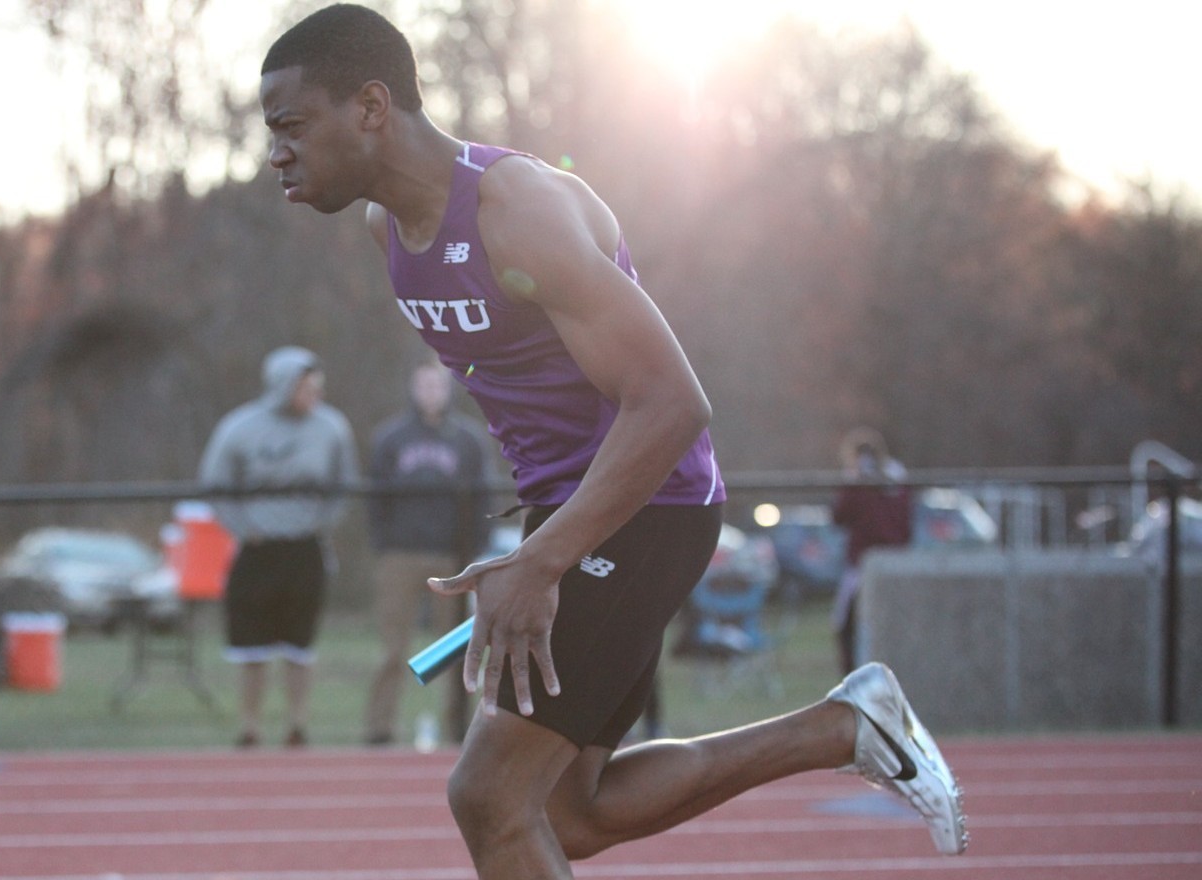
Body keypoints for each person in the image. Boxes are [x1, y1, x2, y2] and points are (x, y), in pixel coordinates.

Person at [258, 6, 967, 876]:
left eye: (291, 126)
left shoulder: (516, 208)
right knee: (574, 816)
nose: (275, 153)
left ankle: (848, 725)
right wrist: (539, 545)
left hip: (647, 502)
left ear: (370, 107)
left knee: (488, 799)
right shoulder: (385, 229)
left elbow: (672, 404)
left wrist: (544, 561)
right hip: (570, 515)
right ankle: (844, 727)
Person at [197, 345, 359, 749]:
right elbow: (215, 484)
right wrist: (241, 526)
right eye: (306, 387)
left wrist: (322, 522)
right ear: (283, 385)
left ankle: (297, 724)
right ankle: (249, 726)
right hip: (257, 548)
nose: (314, 395)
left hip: (305, 548)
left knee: (299, 645)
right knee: (250, 646)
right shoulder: (239, 428)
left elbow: (345, 482)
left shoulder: (332, 427)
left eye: (318, 387)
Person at [362, 358, 491, 747]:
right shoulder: (391, 438)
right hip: (400, 554)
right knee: (392, 649)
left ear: (448, 388)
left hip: (453, 557)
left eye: (437, 385)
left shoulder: (467, 439)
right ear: (412, 388)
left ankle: (459, 729)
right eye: (423, 385)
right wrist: (384, 544)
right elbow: (373, 498)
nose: (431, 393)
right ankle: (379, 729)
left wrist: (475, 551)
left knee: (453, 650)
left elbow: (484, 496)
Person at [831, 428, 914, 676]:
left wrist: (854, 481)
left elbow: (839, 515)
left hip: (866, 563)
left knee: (847, 624)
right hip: (894, 561)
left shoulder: (865, 481)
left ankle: (855, 678)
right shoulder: (898, 479)